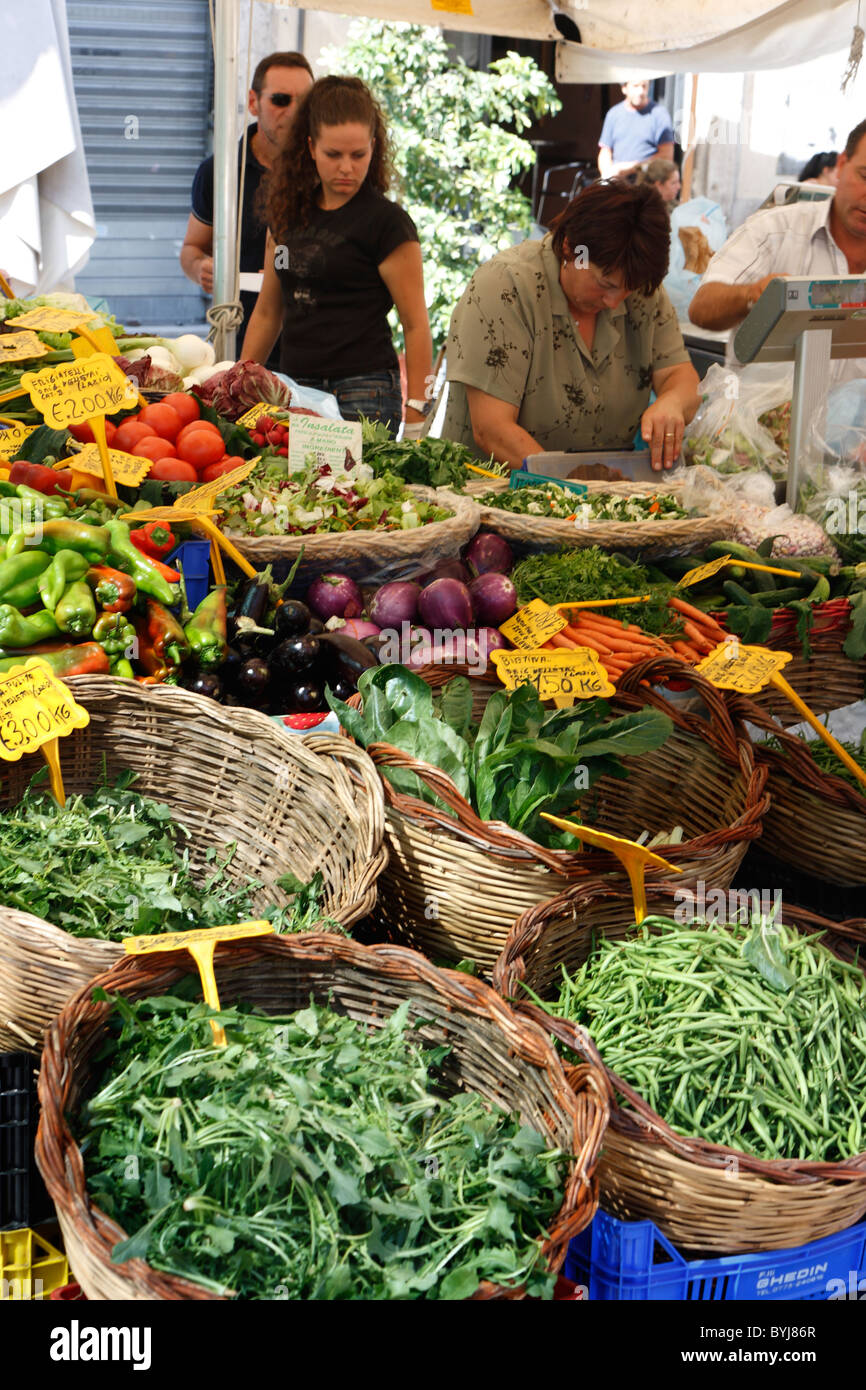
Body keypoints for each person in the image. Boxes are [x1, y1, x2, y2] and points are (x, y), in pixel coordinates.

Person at [440, 180, 700, 470]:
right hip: (486, 494)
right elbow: (492, 430)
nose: (615, 302)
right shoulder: (506, 287)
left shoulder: (640, 290)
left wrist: (673, 401)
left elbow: (681, 375)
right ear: (569, 249)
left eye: (627, 290)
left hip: (593, 501)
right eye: (604, 284)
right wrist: (573, 490)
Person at [241, 76, 432, 432]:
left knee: (356, 487)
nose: (347, 167)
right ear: (311, 147)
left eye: (358, 155)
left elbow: (416, 325)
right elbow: (268, 312)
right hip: (296, 388)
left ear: (374, 148)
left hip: (366, 390)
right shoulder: (286, 217)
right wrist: (238, 382)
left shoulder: (388, 223)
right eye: (334, 154)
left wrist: (419, 412)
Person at [688, 118, 866, 385]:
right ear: (841, 165)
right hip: (761, 423)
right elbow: (702, 307)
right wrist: (752, 294)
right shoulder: (776, 230)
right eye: (865, 176)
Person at [180, 52, 314, 365]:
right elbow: (191, 249)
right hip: (237, 343)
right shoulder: (220, 173)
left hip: (313, 349)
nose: (294, 112)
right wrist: (201, 268)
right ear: (253, 102)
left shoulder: (326, 170)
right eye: (281, 100)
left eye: (305, 102)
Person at [598, 80, 675, 181]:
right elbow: (605, 151)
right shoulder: (613, 114)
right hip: (618, 183)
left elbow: (667, 156)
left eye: (644, 86)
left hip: (647, 183)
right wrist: (608, 174)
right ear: (624, 88)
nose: (640, 91)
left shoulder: (659, 114)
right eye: (635, 86)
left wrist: (632, 168)